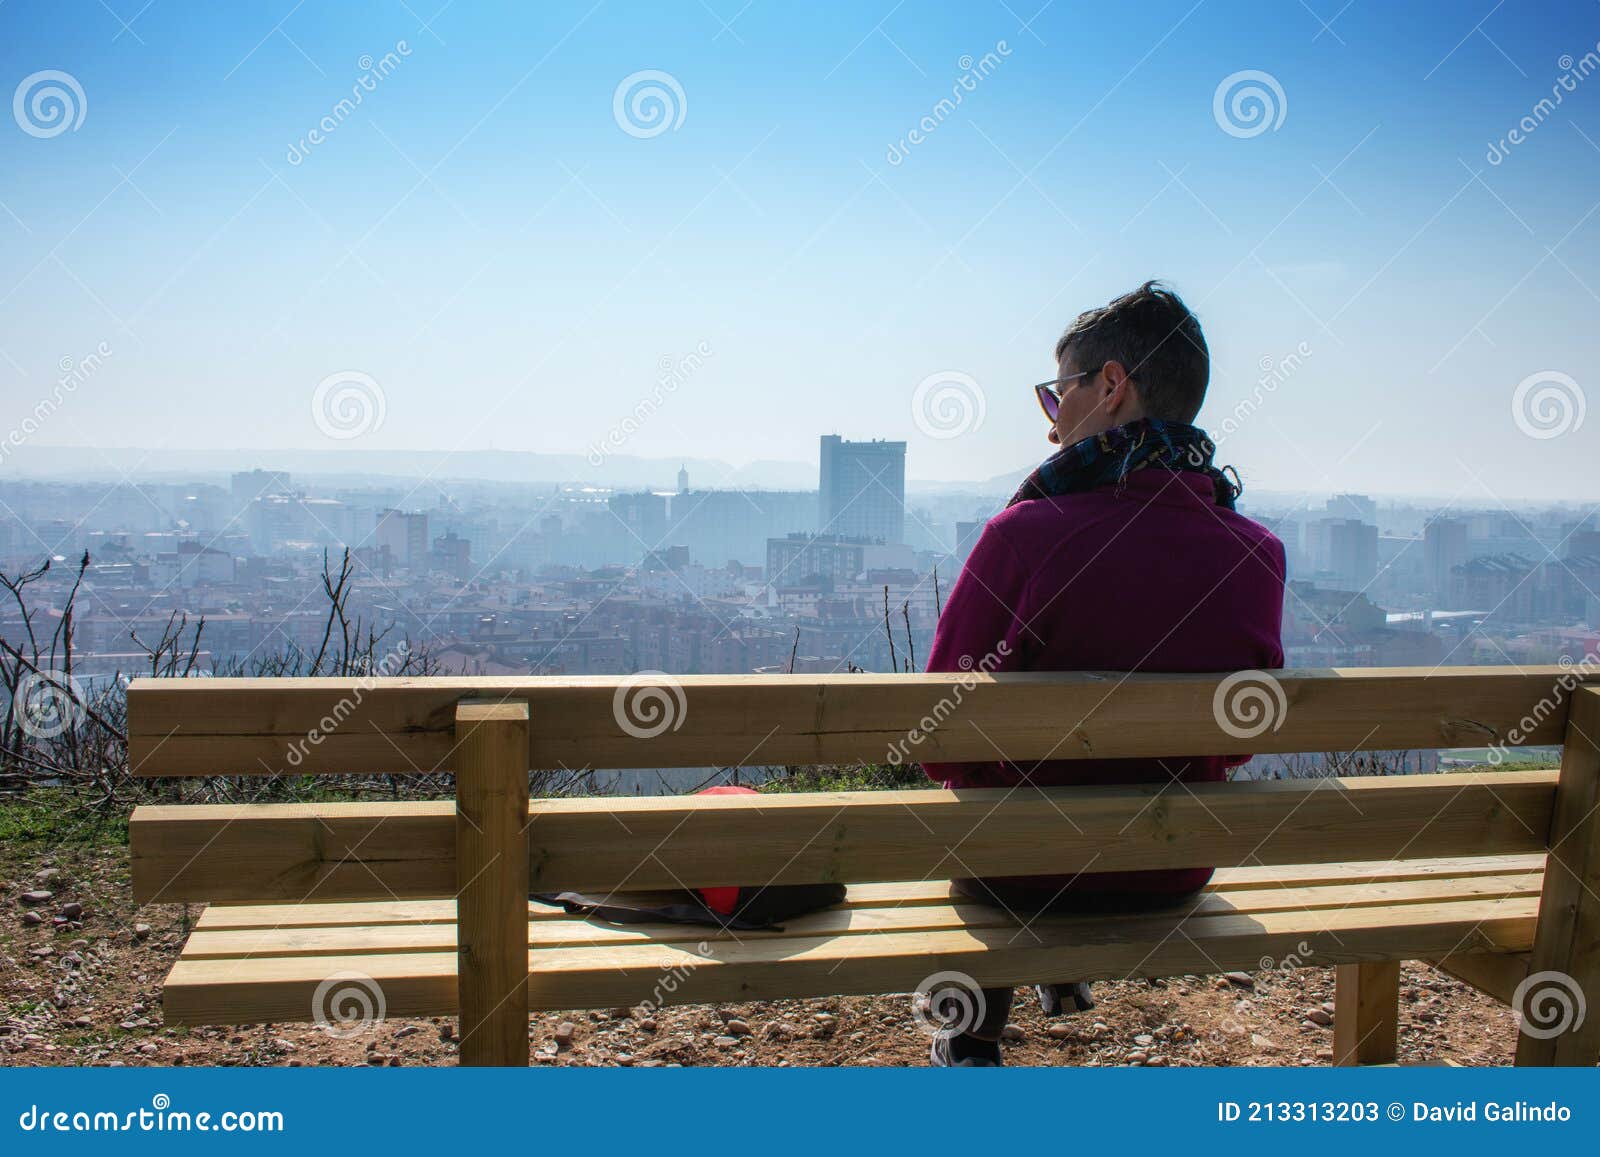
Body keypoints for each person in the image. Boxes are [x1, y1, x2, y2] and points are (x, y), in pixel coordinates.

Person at [921, 281, 1286, 1066]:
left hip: (1024, 874)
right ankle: (1056, 975)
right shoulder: (1257, 553)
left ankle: (971, 1039)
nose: (1052, 421)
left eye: (1060, 394)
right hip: (1170, 866)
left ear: (1112, 386)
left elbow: (940, 739)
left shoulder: (1026, 535)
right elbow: (1240, 743)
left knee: (994, 811)